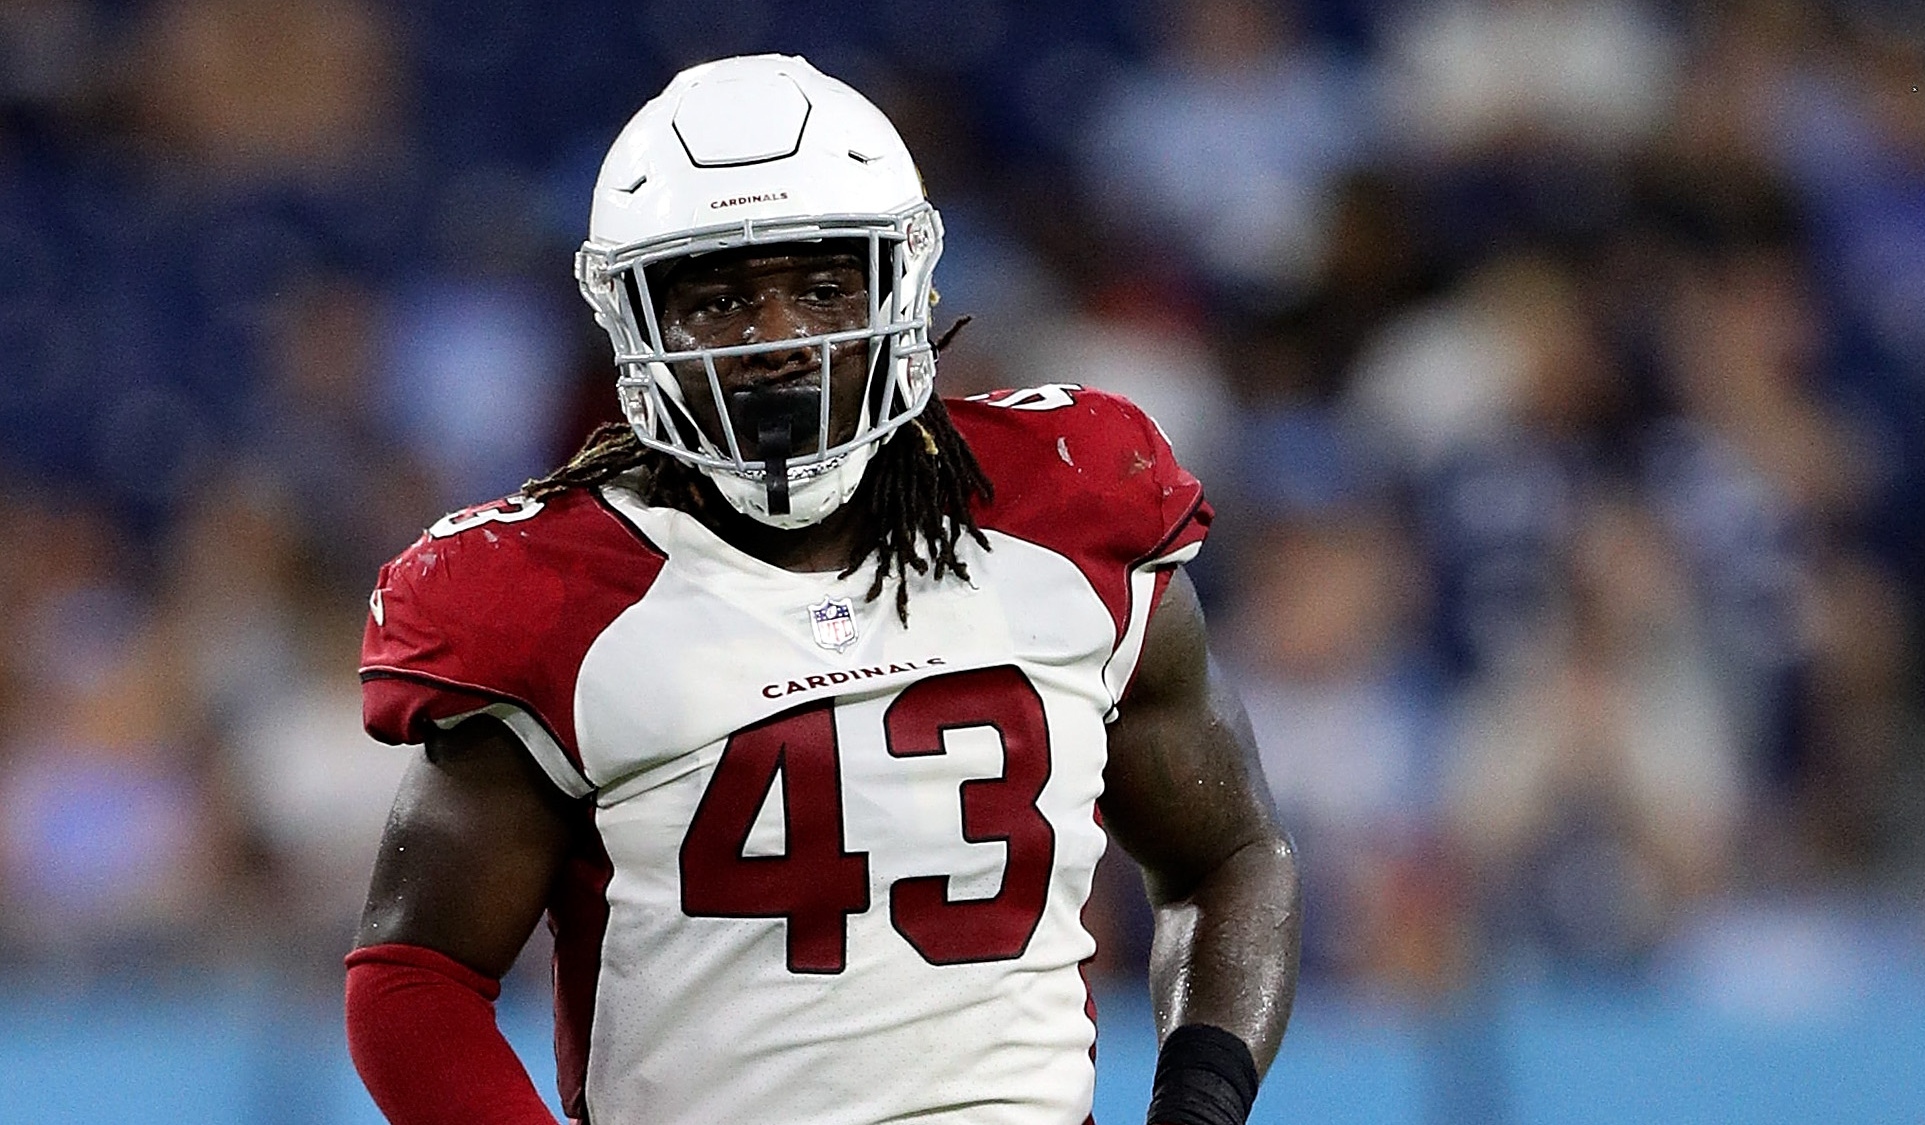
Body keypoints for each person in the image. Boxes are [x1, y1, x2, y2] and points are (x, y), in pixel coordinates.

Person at [342, 54, 1299, 1125]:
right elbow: (415, 974)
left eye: (823, 288)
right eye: (718, 300)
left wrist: (1199, 1107)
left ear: (902, 285)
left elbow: (1229, 856)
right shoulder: (553, 594)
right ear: (633, 321)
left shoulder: (1070, 505)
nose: (779, 339)